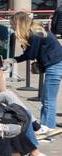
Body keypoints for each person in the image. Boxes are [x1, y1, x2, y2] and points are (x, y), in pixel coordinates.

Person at [12, 11, 62, 139]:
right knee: (46, 99)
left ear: (19, 23)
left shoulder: (35, 34)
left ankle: (49, 131)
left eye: (13, 24)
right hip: (54, 64)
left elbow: (31, 55)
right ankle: (45, 128)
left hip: (55, 64)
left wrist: (14, 60)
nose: (12, 27)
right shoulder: (36, 30)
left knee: (49, 101)